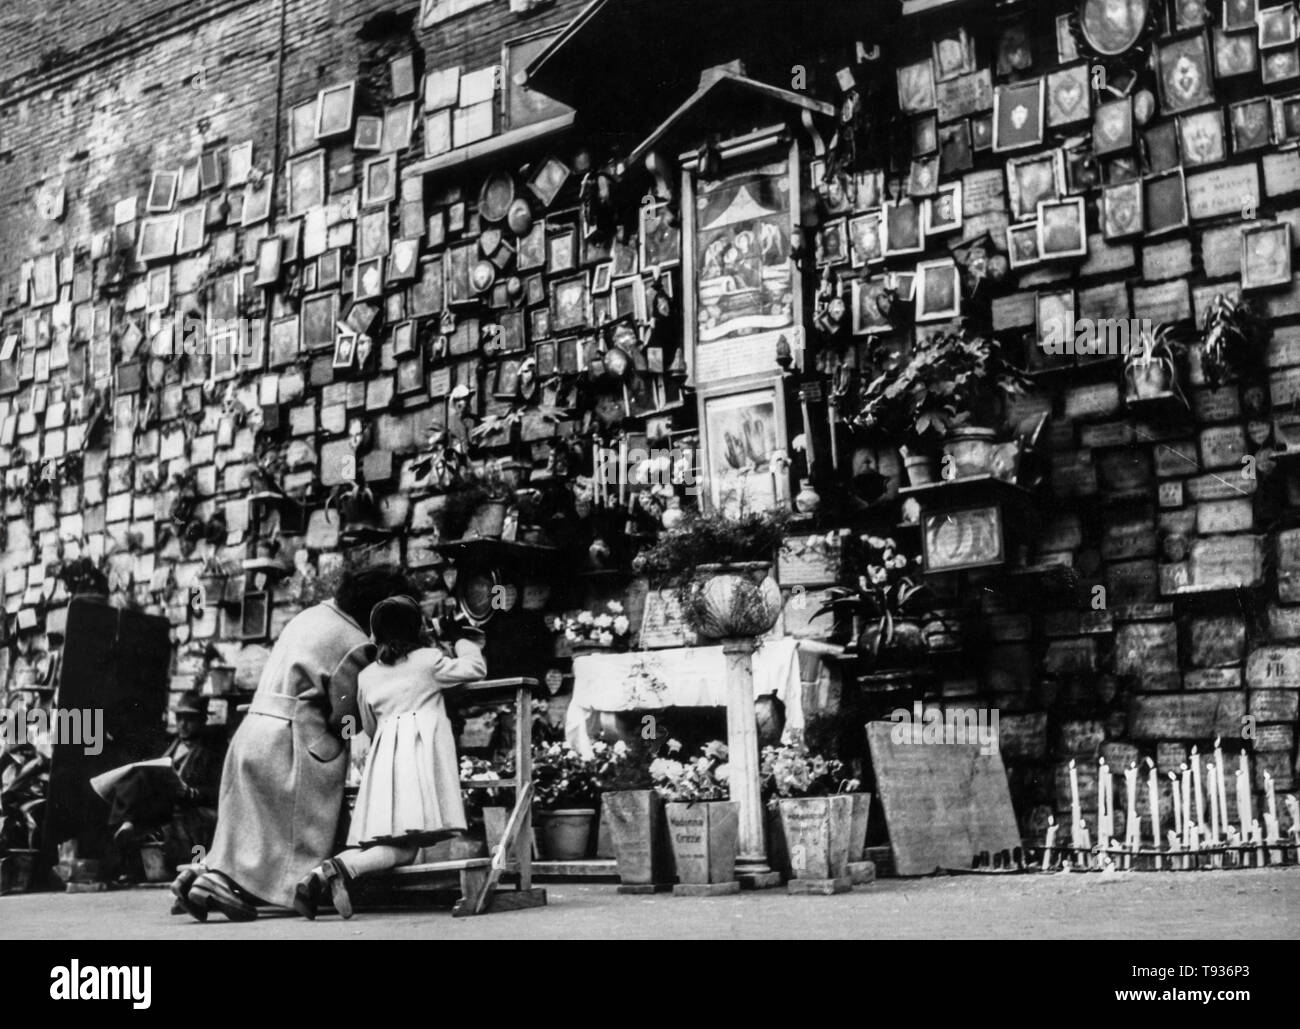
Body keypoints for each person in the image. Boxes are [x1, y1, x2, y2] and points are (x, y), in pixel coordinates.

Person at [170, 565, 414, 921]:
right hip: (292, 740)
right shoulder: (355, 642)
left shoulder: (310, 616)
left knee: (248, 828)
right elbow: (341, 715)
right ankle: (219, 884)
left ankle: (198, 875)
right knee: (285, 838)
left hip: (254, 728)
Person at [292, 596, 486, 919]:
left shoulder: (367, 676)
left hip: (385, 761)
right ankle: (339, 867)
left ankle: (318, 875)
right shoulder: (428, 660)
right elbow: (475, 669)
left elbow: (367, 725)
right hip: (420, 758)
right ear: (415, 631)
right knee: (408, 847)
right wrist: (466, 639)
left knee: (394, 842)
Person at [106, 692, 225, 880]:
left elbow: (221, 790)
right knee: (138, 774)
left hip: (192, 805)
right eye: (179, 719)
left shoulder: (213, 752)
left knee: (192, 820)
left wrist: (191, 792)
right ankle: (128, 846)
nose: (183, 725)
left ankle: (196, 872)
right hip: (164, 804)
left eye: (190, 719)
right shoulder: (167, 744)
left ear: (202, 720)